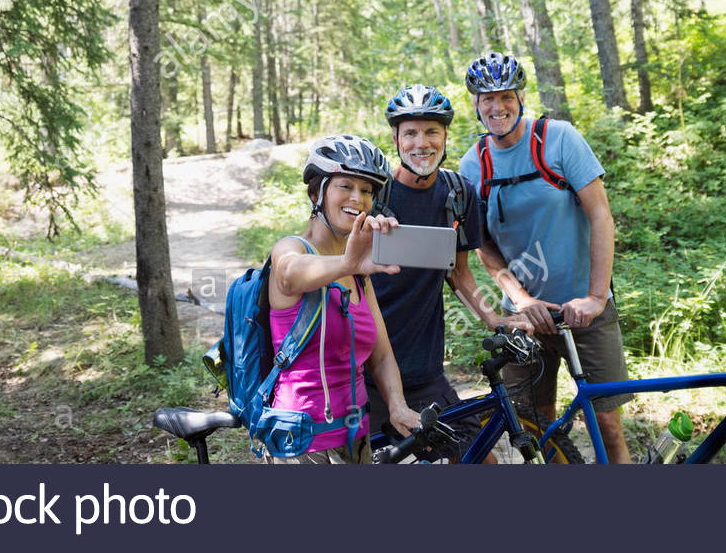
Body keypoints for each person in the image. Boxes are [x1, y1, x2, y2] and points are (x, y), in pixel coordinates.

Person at [458, 52, 634, 463]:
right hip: (524, 319)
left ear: (520, 97)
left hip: (585, 310)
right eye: (487, 99)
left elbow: (600, 215)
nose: (497, 107)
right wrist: (522, 301)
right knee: (537, 428)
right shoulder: (473, 165)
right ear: (476, 105)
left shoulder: (559, 138)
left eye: (506, 96)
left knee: (607, 424)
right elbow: (484, 246)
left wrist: (594, 297)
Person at [365, 84, 518, 462]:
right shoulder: (373, 193)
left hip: (423, 370)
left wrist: (494, 319)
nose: (422, 143)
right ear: (396, 139)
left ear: (446, 135)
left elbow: (460, 274)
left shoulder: (458, 193)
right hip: (363, 371)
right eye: (411, 132)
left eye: (432, 131)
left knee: (479, 458)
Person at [265, 134, 420, 463]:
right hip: (301, 445)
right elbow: (289, 272)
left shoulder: (360, 272)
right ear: (315, 193)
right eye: (345, 186)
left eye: (366, 190)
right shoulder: (291, 249)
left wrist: (397, 406)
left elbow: (380, 356)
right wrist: (347, 263)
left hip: (355, 439)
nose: (358, 198)